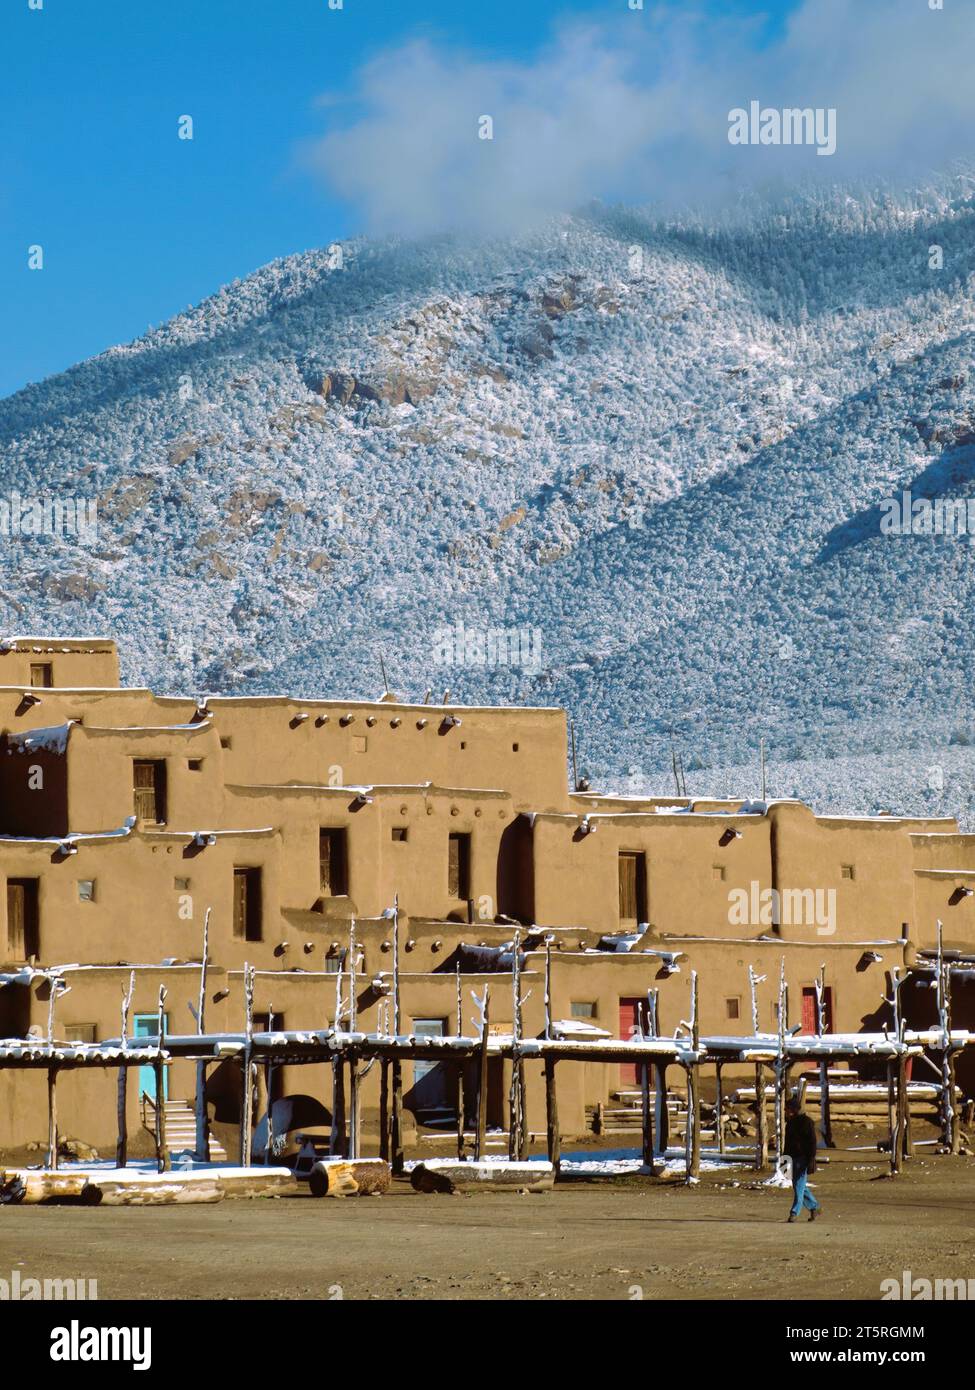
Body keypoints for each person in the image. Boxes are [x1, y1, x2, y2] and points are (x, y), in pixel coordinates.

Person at [784, 1096, 821, 1223]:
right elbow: (787, 1143)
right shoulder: (790, 1123)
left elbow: (812, 1142)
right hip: (793, 1158)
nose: (785, 1111)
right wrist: (784, 1159)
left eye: (787, 1109)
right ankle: (814, 1207)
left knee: (798, 1186)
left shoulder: (806, 1122)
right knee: (799, 1186)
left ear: (793, 1110)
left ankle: (794, 1212)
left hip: (803, 1159)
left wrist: (811, 1158)